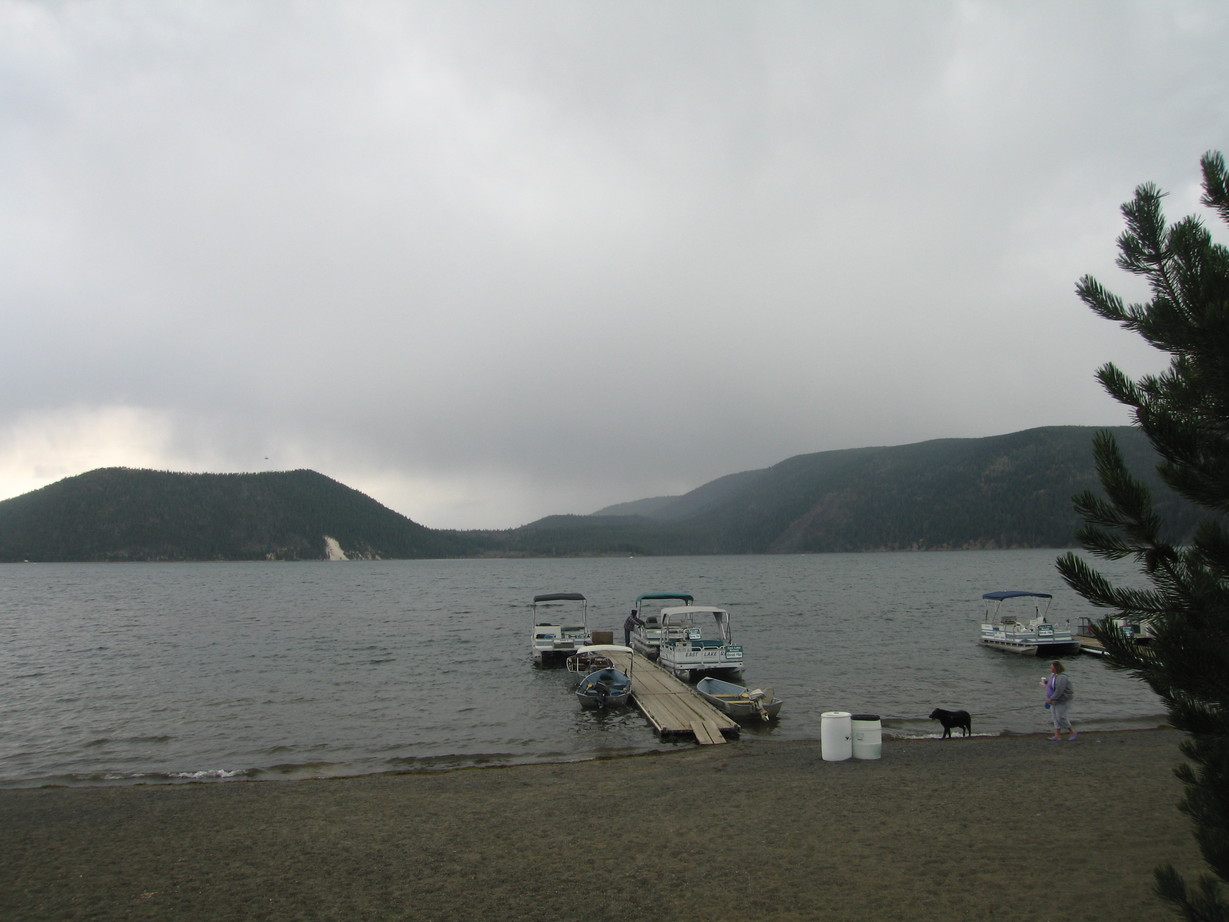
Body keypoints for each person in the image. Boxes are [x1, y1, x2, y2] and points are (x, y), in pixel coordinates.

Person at [1040, 660, 1076, 741]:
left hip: (1062, 700)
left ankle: (1072, 731)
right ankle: (1057, 735)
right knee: (1055, 718)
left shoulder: (1062, 677)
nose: (1051, 669)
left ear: (1057, 668)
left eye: (1052, 668)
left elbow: (1059, 690)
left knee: (1061, 717)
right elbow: (1050, 682)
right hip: (1054, 700)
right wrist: (1045, 682)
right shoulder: (1053, 675)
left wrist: (1051, 699)